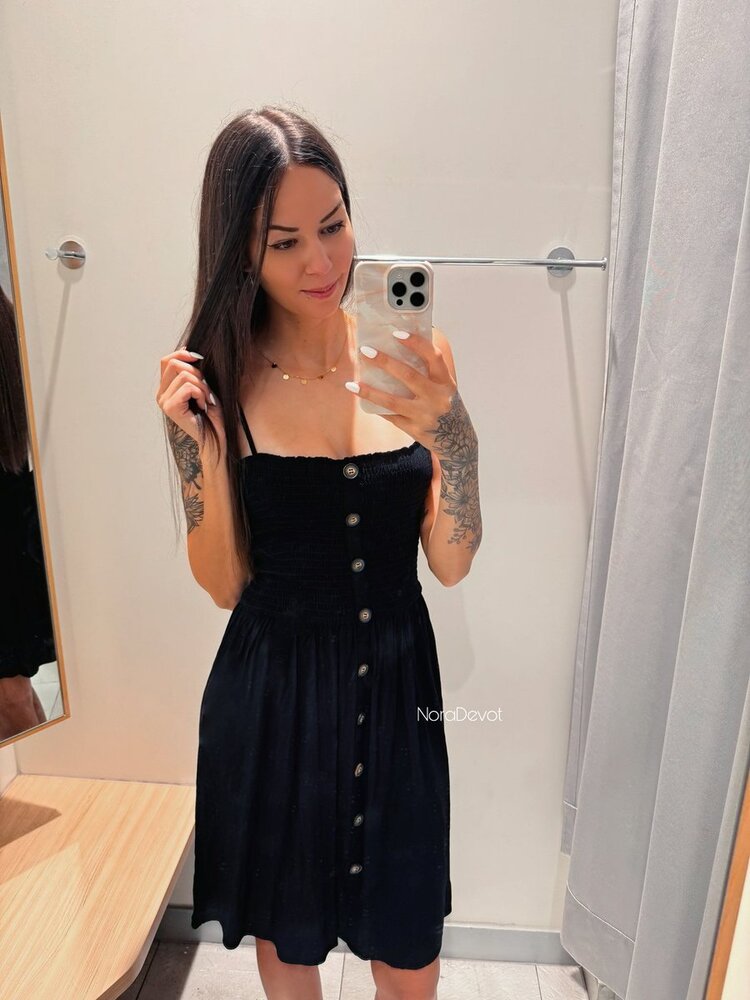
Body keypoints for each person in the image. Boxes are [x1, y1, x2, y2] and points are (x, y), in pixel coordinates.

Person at [156, 106, 482, 1000]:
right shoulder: (215, 381)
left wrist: (454, 436)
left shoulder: (418, 356)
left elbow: (451, 564)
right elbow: (224, 584)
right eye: (285, 242)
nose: (322, 262)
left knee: (408, 951)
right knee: (291, 945)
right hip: (276, 696)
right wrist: (203, 451)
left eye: (333, 225)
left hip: (399, 684)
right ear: (241, 252)